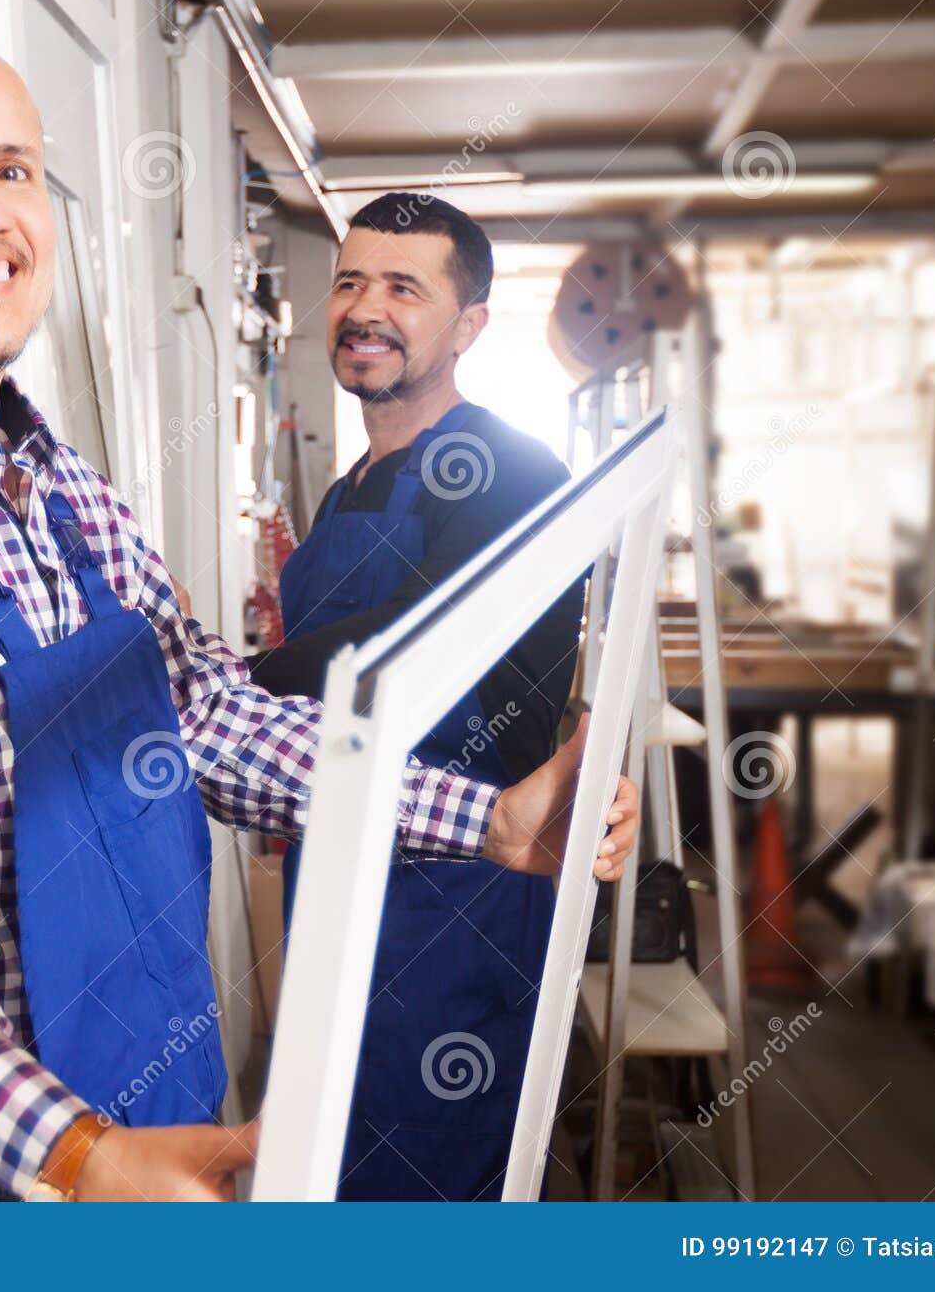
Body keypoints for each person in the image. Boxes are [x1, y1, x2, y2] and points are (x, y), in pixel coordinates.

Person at [0, 33, 639, 1204]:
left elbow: (206, 719)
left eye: (12, 170)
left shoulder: (63, 490)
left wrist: (488, 819)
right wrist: (72, 1150)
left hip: (145, 1123)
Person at [247, 193, 592, 1201]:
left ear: (469, 324)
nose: (366, 308)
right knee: (336, 1162)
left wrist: (230, 685)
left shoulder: (512, 471)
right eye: (349, 282)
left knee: (435, 1172)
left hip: (454, 895)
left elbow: (415, 644)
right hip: (333, 875)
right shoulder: (349, 485)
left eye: (404, 287)